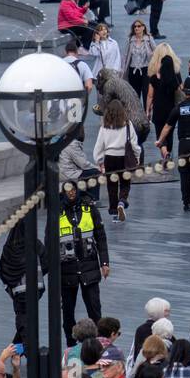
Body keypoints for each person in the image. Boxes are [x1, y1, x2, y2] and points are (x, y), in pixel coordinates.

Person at [57, 181, 110, 345]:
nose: (71, 193)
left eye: (73, 190)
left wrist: (105, 262)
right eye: (68, 191)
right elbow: (50, 241)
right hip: (67, 270)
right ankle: (71, 345)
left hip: (89, 267)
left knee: (95, 308)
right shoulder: (57, 211)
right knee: (67, 311)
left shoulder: (89, 208)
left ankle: (98, 343)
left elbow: (100, 236)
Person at [157, 76, 190, 213]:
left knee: (185, 174)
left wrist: (160, 141)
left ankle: (186, 202)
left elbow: (168, 126)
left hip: (184, 145)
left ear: (184, 91)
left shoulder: (179, 108)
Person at [94, 99, 139, 221]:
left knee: (111, 186)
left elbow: (99, 145)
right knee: (125, 183)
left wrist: (99, 160)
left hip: (109, 158)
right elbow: (134, 143)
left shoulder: (105, 126)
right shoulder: (127, 124)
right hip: (123, 158)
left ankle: (114, 213)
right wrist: (137, 157)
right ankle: (122, 202)